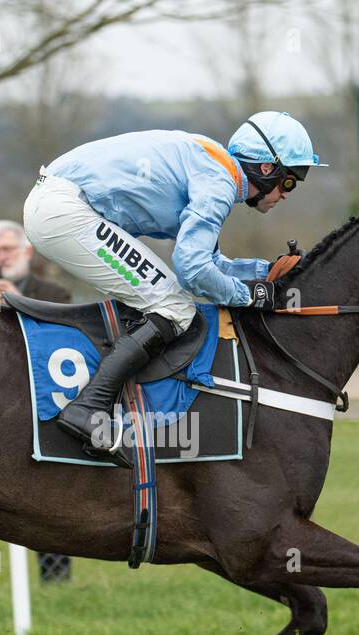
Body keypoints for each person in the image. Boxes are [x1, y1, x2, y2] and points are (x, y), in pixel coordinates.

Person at [23, 110, 325, 455]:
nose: (286, 195)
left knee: (167, 299)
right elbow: (192, 270)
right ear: (266, 168)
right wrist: (250, 296)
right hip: (64, 210)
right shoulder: (219, 182)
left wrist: (266, 270)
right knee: (175, 306)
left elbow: (211, 263)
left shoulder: (215, 168)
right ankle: (89, 407)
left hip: (58, 203)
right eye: (289, 182)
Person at [0, 220, 72, 587]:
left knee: (50, 494)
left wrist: (18, 303)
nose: (1, 257)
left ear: (26, 251)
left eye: (7, 249)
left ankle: (56, 578)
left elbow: (63, 341)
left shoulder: (54, 293)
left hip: (42, 404)